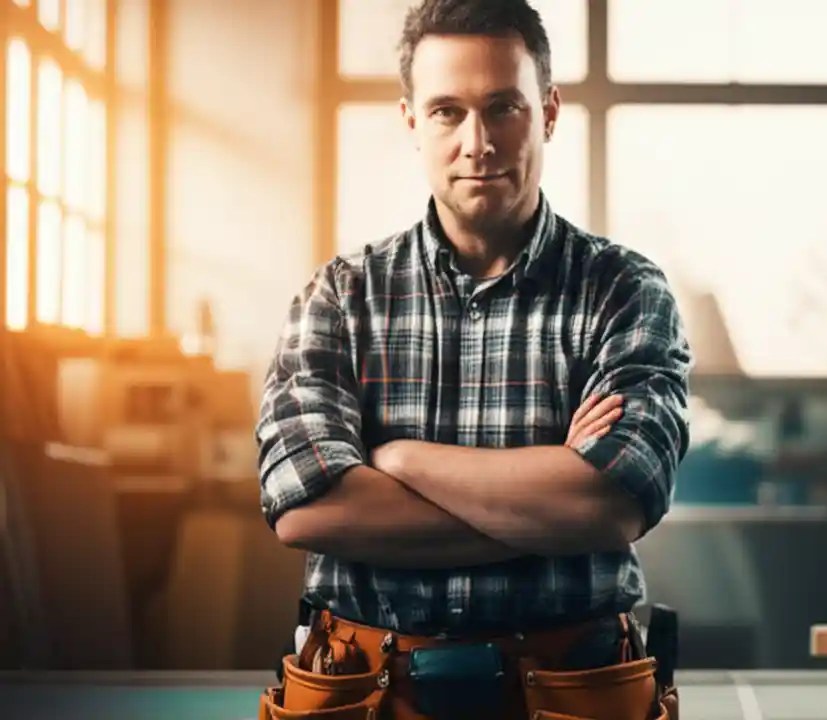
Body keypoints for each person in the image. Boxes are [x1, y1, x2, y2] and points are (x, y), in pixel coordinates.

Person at [253, 1, 691, 718]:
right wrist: (543, 507)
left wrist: (398, 460)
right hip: (366, 694)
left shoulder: (624, 292)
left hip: (569, 693)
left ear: (548, 112)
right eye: (448, 111)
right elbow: (306, 508)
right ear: (411, 121)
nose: (477, 141)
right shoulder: (338, 297)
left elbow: (612, 504)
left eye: (503, 107)